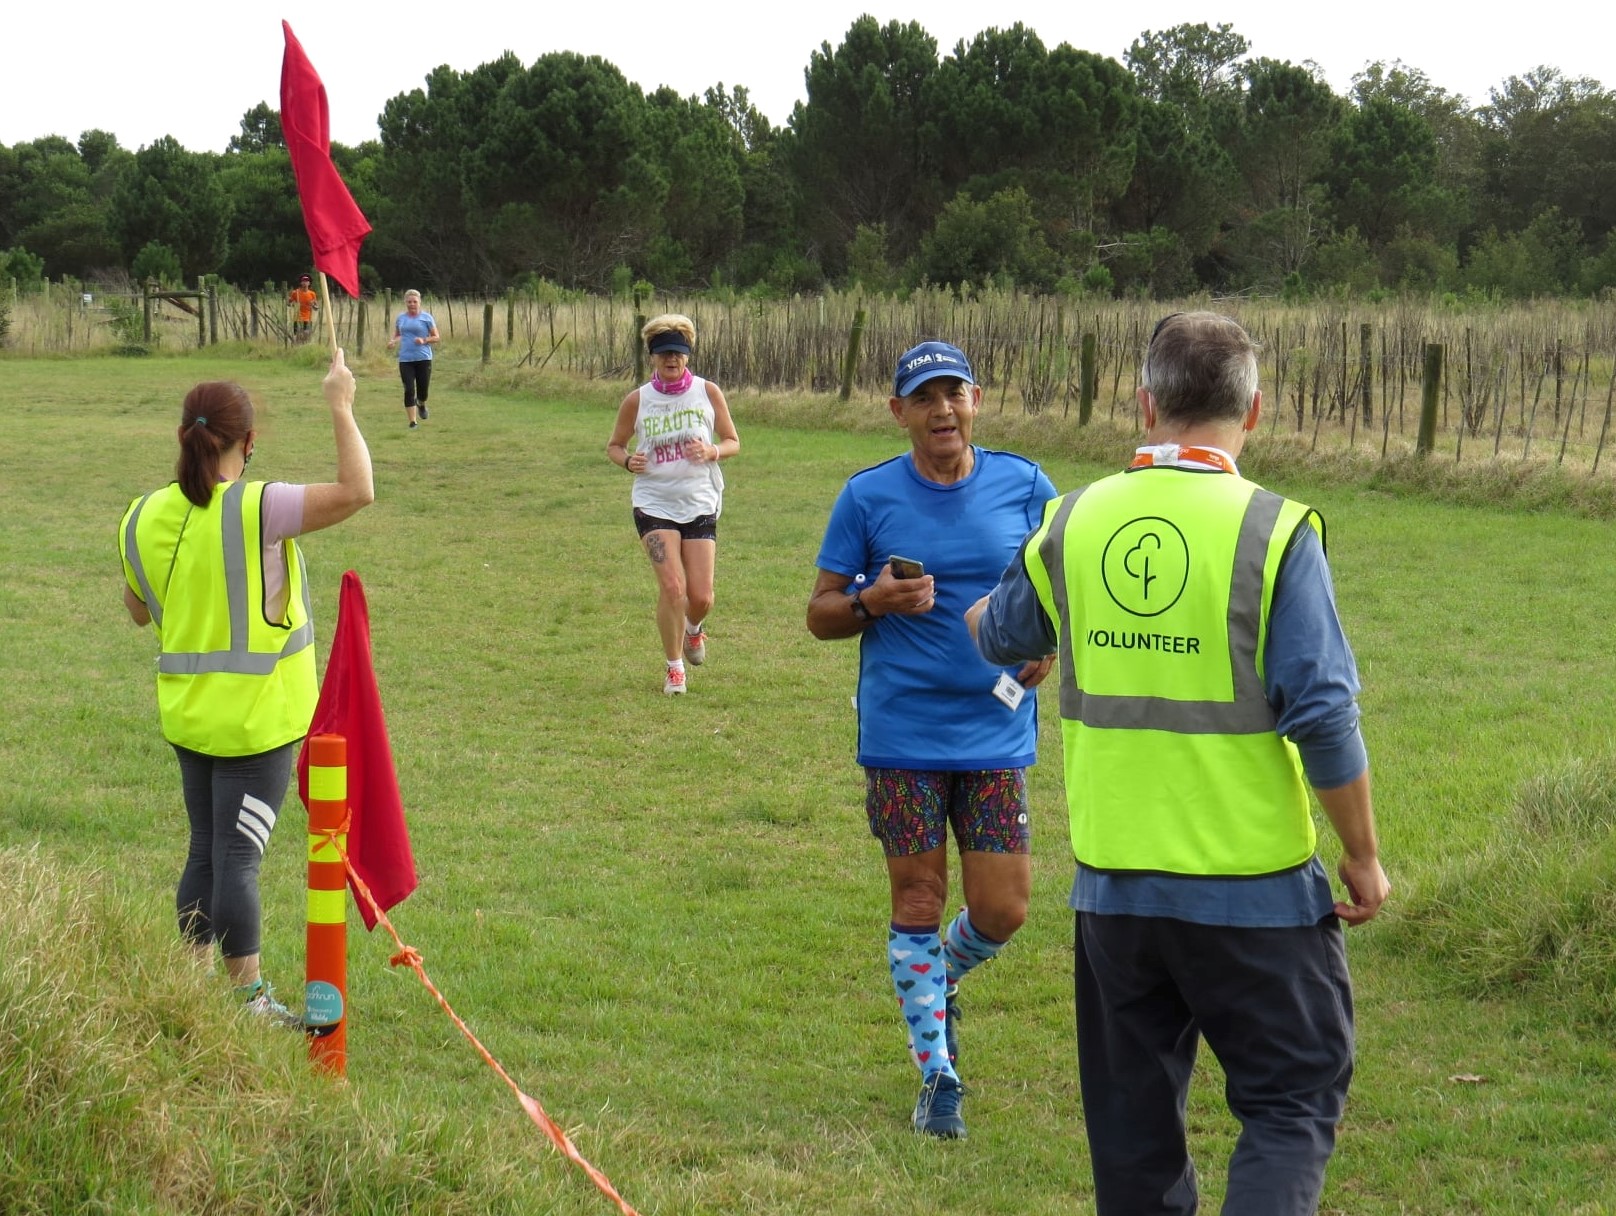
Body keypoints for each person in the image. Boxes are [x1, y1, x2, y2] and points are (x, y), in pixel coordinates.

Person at [967, 312, 1390, 1214]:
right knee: (1291, 1102)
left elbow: (1003, 633)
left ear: (1143, 404)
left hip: (1117, 896)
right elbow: (1322, 708)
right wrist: (1360, 853)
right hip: (1255, 889)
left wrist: (976, 619)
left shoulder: (1072, 520)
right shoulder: (1275, 532)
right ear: (1257, 410)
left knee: (1134, 1145)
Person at [806, 340, 1057, 1140]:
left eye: (954, 394)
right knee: (917, 898)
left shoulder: (1026, 485)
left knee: (1004, 908)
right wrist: (873, 600)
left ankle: (933, 980)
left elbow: (1064, 584)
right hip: (904, 735)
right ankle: (937, 1076)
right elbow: (819, 615)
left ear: (977, 400)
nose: (942, 411)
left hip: (995, 730)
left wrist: (1050, 642)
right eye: (924, 398)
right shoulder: (868, 496)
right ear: (898, 412)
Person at [118, 350, 375, 1025]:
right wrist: (341, 404)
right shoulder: (261, 506)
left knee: (207, 848)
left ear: (183, 436)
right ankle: (247, 999)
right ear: (248, 442)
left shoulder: (142, 514)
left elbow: (138, 608)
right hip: (258, 723)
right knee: (239, 859)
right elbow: (357, 491)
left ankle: (190, 983)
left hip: (188, 719)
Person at [605, 313, 740, 695]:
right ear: (652, 357)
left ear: (688, 356)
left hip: (699, 501)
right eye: (664, 354)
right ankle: (674, 668)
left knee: (700, 597)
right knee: (672, 588)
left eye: (678, 354)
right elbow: (614, 446)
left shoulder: (707, 392)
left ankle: (694, 630)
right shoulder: (638, 400)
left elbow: (733, 440)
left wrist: (713, 450)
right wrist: (627, 460)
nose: (671, 360)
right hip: (653, 503)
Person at [388, 289, 439, 428]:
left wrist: (424, 340)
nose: (412, 304)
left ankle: (421, 403)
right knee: (409, 389)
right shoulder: (401, 318)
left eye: (414, 302)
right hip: (405, 359)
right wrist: (393, 341)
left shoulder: (427, 318)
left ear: (419, 302)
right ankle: (412, 422)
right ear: (405, 302)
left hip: (423, 358)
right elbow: (398, 334)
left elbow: (436, 337)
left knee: (423, 391)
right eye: (409, 302)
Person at [288, 273, 319, 342]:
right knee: (297, 337)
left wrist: (313, 305)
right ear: (301, 283)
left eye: (307, 281)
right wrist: (292, 304)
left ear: (309, 283)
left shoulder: (312, 294)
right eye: (303, 281)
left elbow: (316, 308)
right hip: (297, 318)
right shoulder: (295, 292)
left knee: (307, 336)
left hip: (308, 318)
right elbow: (289, 303)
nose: (305, 282)